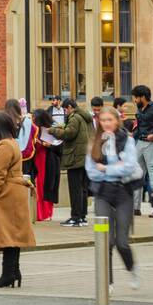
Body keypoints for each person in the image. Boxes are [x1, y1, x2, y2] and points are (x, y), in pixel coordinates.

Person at [87, 104, 144, 290]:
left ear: (117, 120)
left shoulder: (126, 140)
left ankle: (132, 267)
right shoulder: (95, 141)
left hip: (123, 194)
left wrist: (107, 168)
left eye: (110, 120)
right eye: (103, 120)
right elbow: (92, 172)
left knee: (122, 242)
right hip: (102, 194)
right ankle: (107, 281)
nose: (106, 123)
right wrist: (114, 169)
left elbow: (130, 166)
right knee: (105, 240)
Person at [0, 112, 37, 289]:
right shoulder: (8, 143)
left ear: (0, 128)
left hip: (6, 194)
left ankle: (8, 274)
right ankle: (13, 272)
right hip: (11, 193)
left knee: (7, 236)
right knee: (12, 235)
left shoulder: (4, 145)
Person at [50, 96, 93, 227]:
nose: (64, 112)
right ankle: (82, 216)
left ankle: (75, 217)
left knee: (75, 189)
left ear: (69, 107)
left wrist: (53, 131)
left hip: (75, 157)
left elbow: (69, 133)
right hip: (84, 156)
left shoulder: (75, 118)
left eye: (65, 109)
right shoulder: (85, 118)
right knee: (83, 188)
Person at [131, 86, 153, 216]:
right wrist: (134, 134)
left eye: (136, 97)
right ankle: (135, 208)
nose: (134, 100)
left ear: (142, 97)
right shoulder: (138, 108)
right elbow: (138, 124)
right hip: (139, 143)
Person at [30, 108, 61, 222]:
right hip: (41, 158)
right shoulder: (37, 128)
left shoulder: (48, 129)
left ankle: (44, 213)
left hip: (45, 159)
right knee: (42, 185)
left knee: (44, 185)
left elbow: (57, 145)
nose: (32, 119)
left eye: (34, 117)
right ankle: (44, 213)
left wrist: (42, 143)